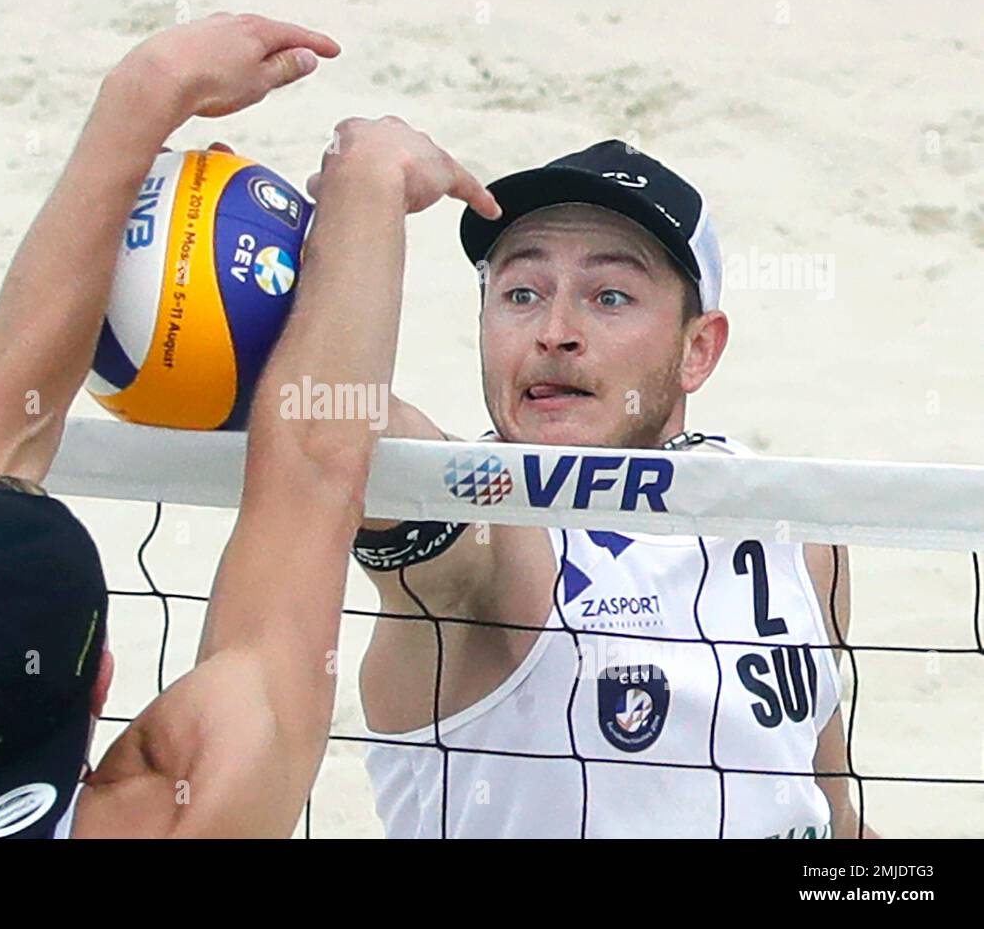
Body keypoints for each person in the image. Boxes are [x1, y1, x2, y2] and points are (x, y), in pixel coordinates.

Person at [0, 13, 498, 839]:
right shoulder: (177, 817)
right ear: (102, 681)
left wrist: (147, 94)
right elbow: (311, 465)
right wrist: (365, 178)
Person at [314, 131, 874, 838]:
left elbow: (833, 818)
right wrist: (367, 195)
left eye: (609, 295)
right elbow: (331, 413)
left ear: (697, 347)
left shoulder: (796, 533)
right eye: (521, 292)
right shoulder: (481, 528)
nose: (555, 331)